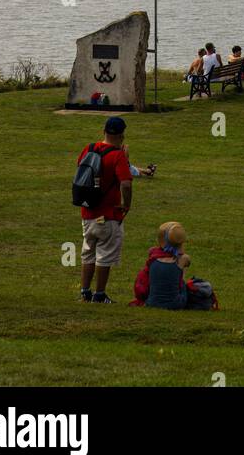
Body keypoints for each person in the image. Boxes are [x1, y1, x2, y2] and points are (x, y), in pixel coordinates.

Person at [76, 116, 134, 304]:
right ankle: (99, 294)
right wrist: (127, 204)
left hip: (88, 211)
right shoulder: (117, 156)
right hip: (108, 213)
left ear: (104, 131)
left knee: (88, 252)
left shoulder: (89, 148)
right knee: (105, 254)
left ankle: (85, 292)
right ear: (122, 135)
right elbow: (125, 183)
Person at [132, 221, 218, 310]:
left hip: (152, 302)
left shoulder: (153, 256)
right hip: (175, 304)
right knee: (189, 282)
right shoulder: (183, 259)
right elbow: (182, 279)